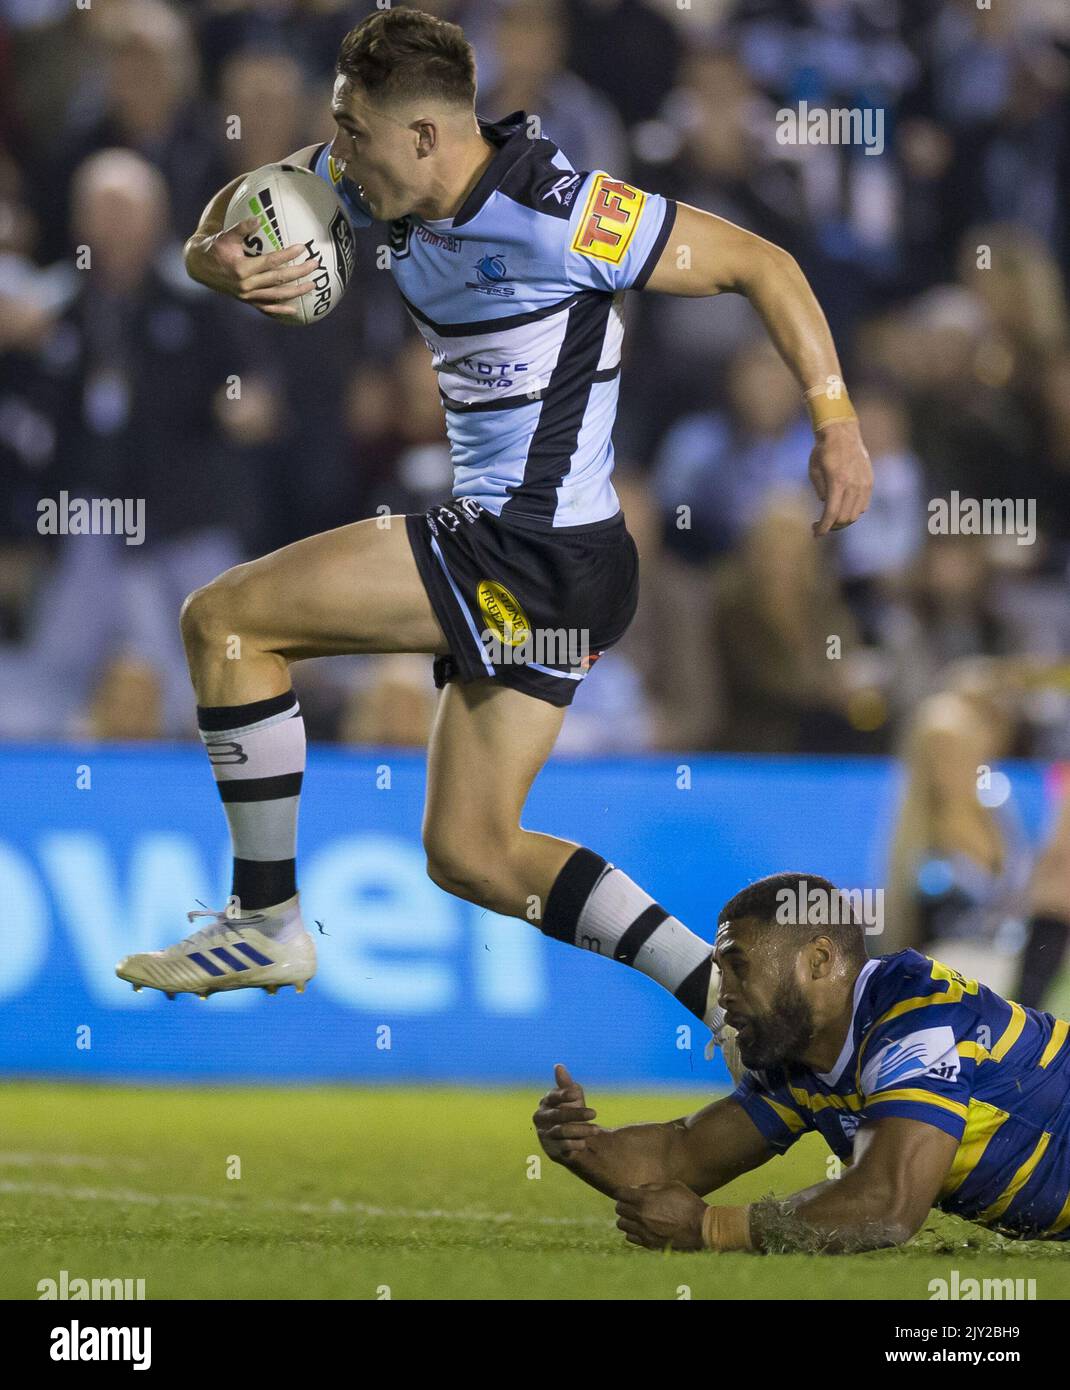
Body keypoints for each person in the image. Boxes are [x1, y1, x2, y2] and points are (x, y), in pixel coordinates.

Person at [115, 10, 872, 1058]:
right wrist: (219, 264)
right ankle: (722, 1005)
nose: (334, 153)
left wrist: (834, 423)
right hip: (564, 561)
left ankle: (263, 918)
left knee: (227, 622)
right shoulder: (365, 172)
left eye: (353, 133)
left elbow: (763, 264)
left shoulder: (560, 211)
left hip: (524, 544)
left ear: (424, 137)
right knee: (471, 852)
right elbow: (225, 220)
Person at [533, 873, 1070, 1252]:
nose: (723, 998)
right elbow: (679, 1156)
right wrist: (583, 1146)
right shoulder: (803, 1059)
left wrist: (713, 1229)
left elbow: (887, 1205)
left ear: (818, 959)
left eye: (739, 969)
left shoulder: (916, 1016)